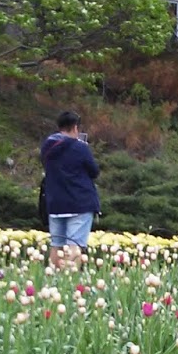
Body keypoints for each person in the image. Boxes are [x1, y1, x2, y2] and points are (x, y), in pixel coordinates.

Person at [40, 111, 100, 266]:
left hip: (55, 203)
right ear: (75, 128)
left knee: (56, 244)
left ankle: (52, 278)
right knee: (75, 244)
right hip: (79, 202)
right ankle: (71, 281)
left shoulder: (47, 147)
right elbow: (94, 171)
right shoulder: (80, 148)